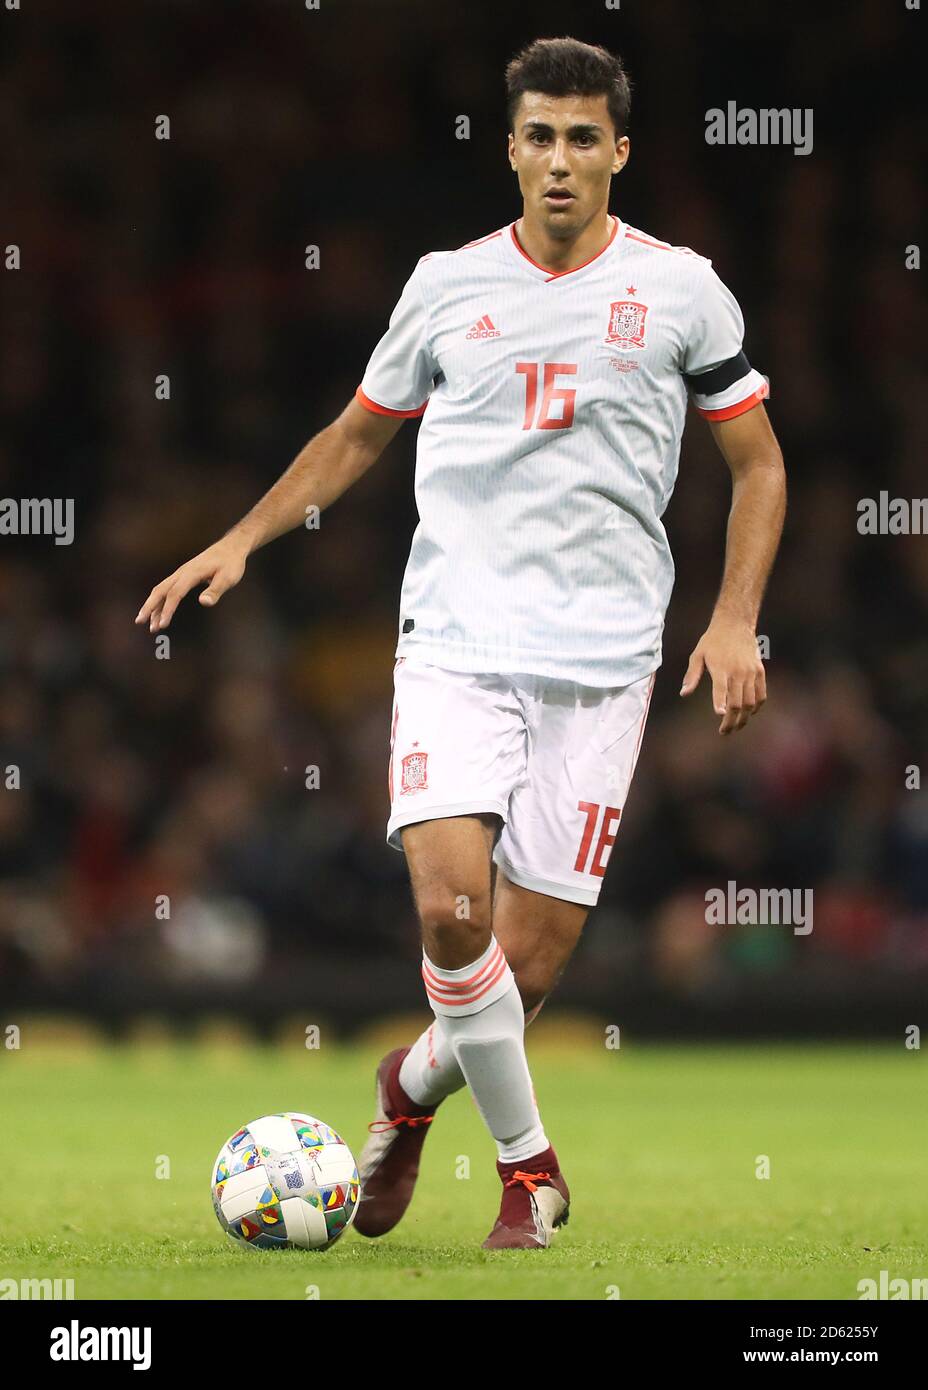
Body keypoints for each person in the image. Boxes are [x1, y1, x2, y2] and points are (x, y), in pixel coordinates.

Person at [136, 37, 786, 1250]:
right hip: (457, 642)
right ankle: (528, 1171)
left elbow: (756, 462)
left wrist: (736, 614)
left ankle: (405, 1089)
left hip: (604, 664)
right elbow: (356, 434)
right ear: (508, 148)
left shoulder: (683, 288)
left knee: (521, 975)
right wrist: (242, 538)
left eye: (582, 138)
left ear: (619, 153)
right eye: (538, 135)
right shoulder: (445, 284)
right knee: (450, 915)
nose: (558, 160)